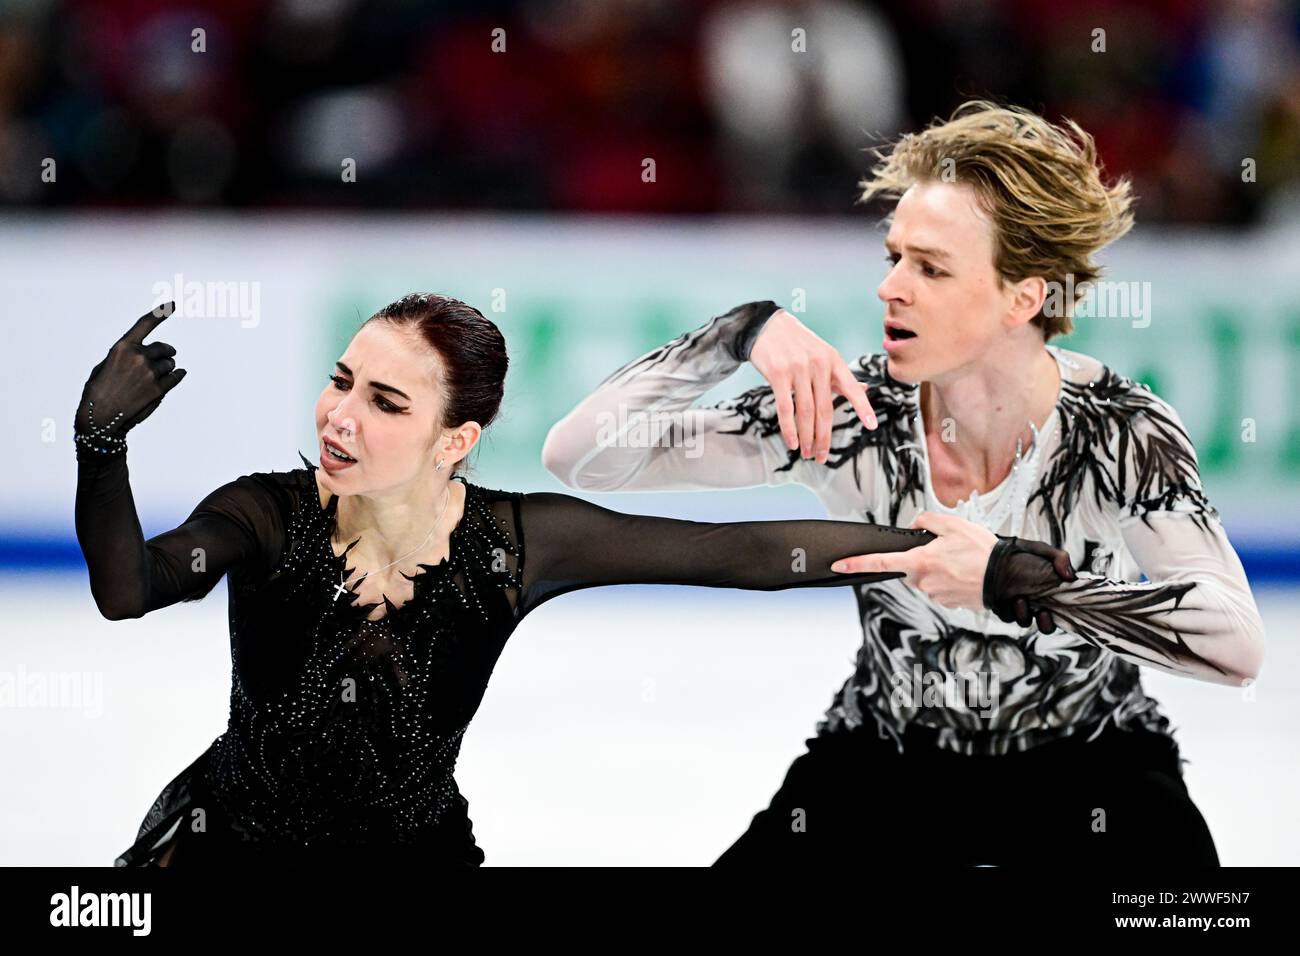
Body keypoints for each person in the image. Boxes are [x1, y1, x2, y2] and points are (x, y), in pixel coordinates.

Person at [74, 292, 1072, 868]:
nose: (339, 415)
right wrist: (100, 441)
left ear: (454, 440)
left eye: (382, 400)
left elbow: (738, 552)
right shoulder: (265, 512)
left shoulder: (515, 542)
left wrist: (953, 557)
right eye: (342, 379)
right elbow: (129, 586)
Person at [541, 100, 1266, 866]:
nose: (891, 287)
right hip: (885, 759)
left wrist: (1019, 584)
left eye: (931, 268)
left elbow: (1239, 642)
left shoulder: (1116, 428)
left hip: (1094, 764)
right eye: (893, 257)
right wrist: (734, 334)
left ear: (1023, 297)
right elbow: (582, 454)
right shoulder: (853, 416)